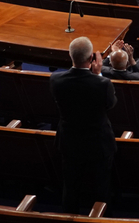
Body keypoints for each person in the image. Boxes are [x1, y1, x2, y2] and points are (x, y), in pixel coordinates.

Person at [49, 36, 117, 212]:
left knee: (70, 186)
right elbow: (110, 104)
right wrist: (98, 74)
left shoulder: (55, 80)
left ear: (70, 56)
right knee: (100, 188)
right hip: (98, 145)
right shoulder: (103, 83)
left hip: (69, 142)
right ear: (91, 60)